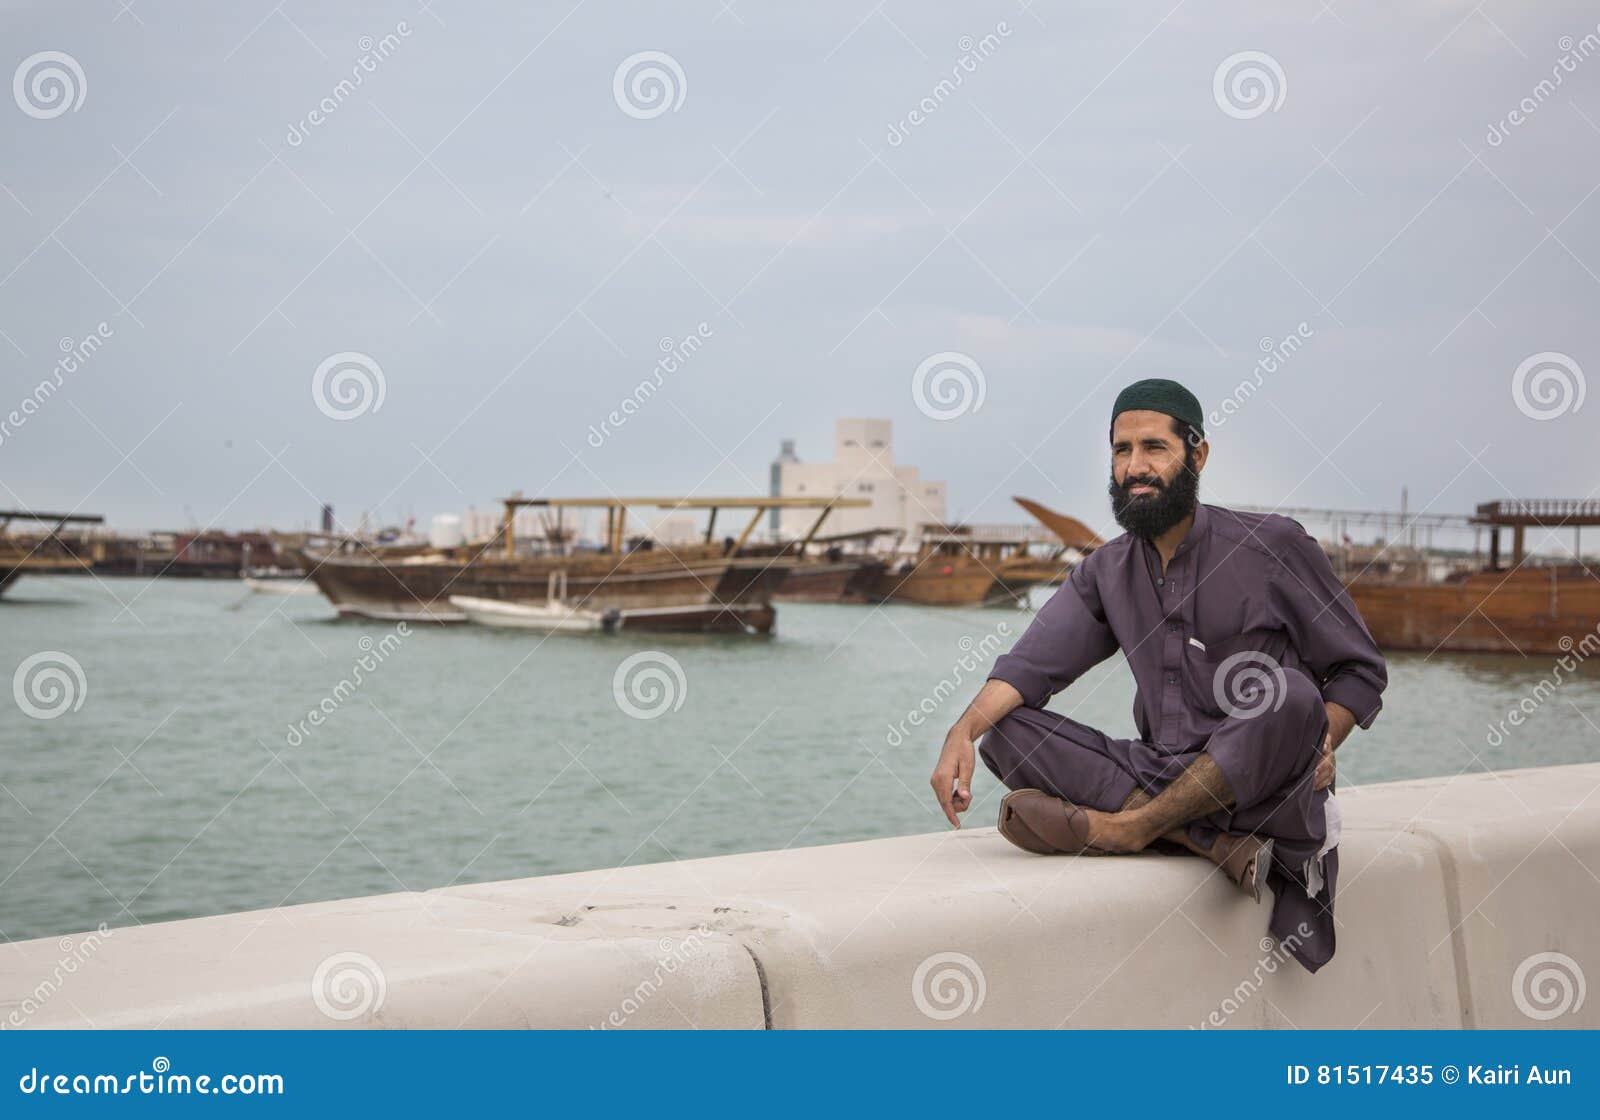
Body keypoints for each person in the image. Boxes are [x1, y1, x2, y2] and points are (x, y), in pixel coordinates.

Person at [928, 378, 1387, 972]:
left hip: (1266, 786)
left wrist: (1323, 736)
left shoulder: (1272, 546)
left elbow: (1358, 670)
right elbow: (1030, 666)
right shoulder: (1106, 571)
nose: (1135, 467)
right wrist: (961, 732)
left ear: (1197, 454)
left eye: (1154, 448)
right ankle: (1201, 837)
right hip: (1161, 770)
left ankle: (1133, 829)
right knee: (1007, 729)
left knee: (1290, 695)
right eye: (1122, 450)